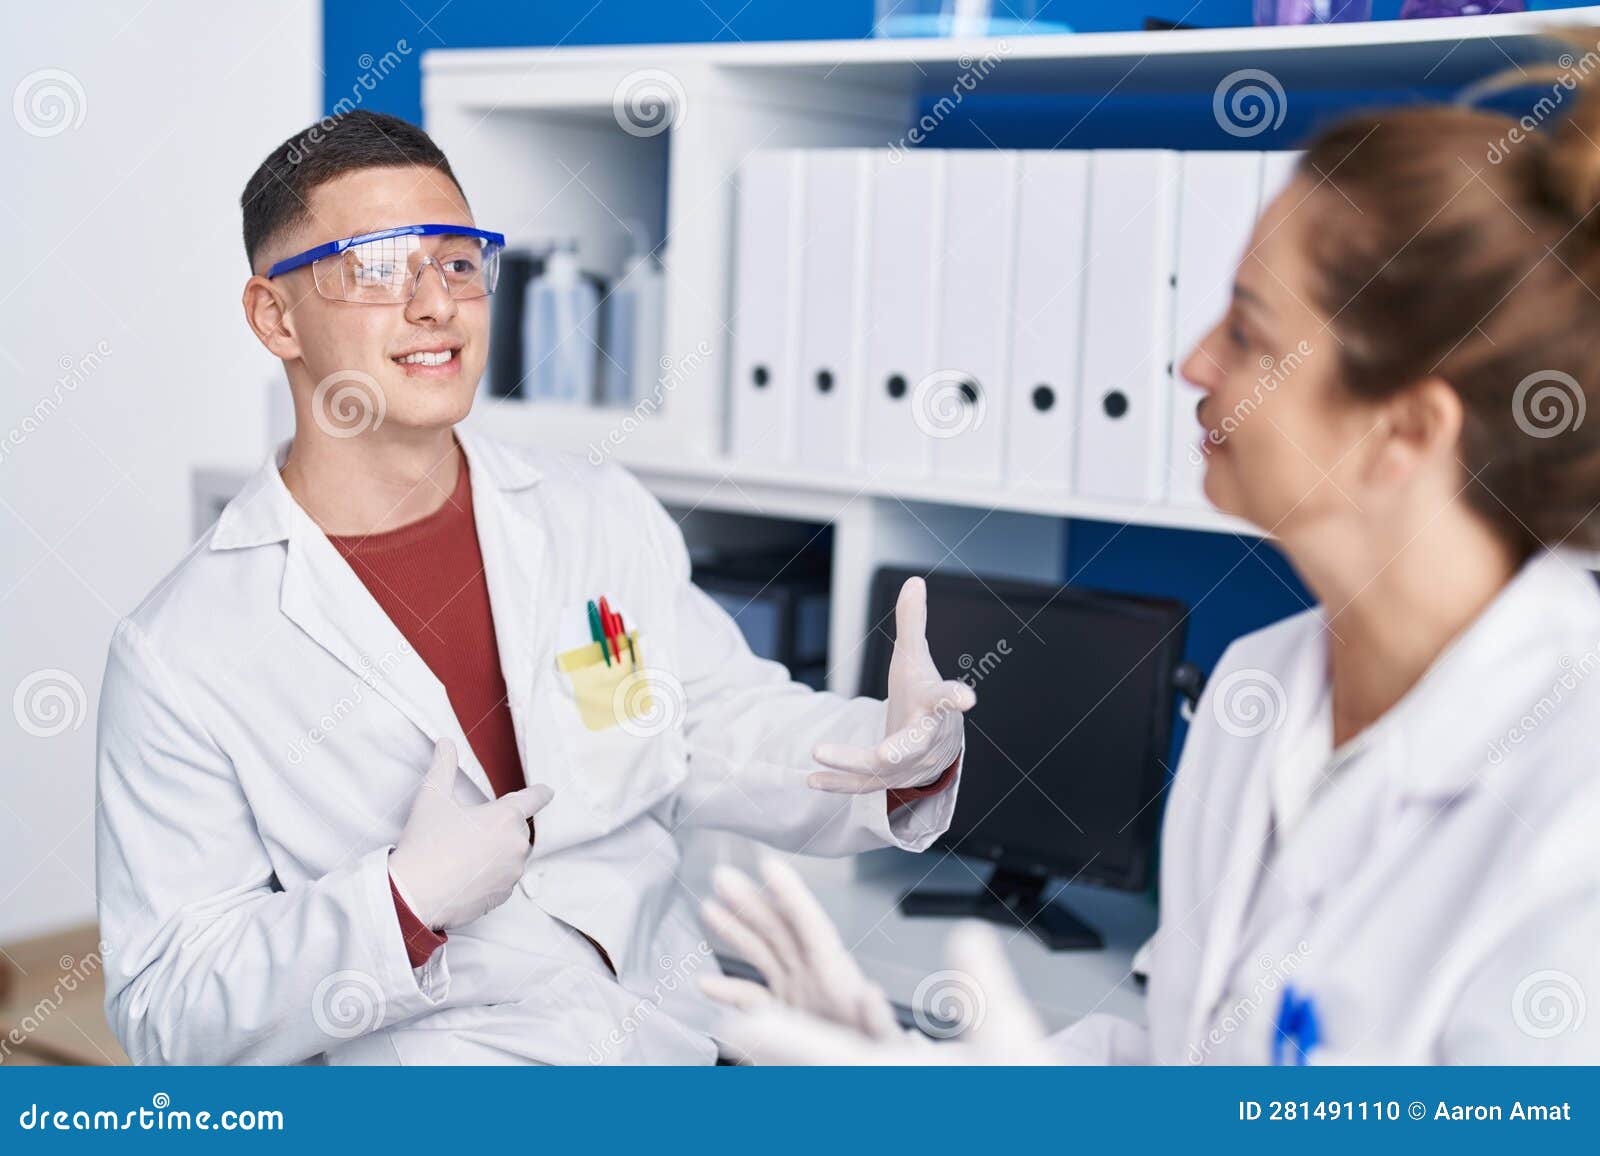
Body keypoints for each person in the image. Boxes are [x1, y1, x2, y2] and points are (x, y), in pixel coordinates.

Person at [700, 58, 1600, 1065]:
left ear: (1404, 430)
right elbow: (1195, 1055)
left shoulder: (1572, 794)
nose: (1193, 364)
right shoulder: (1257, 689)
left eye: (1249, 330)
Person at [93, 111, 975, 1065]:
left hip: (678, 1040)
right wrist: (399, 906)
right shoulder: (181, 651)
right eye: (382, 265)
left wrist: (889, 749)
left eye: (459, 261)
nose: (437, 304)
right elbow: (167, 1008)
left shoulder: (591, 509)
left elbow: (709, 721)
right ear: (275, 316)